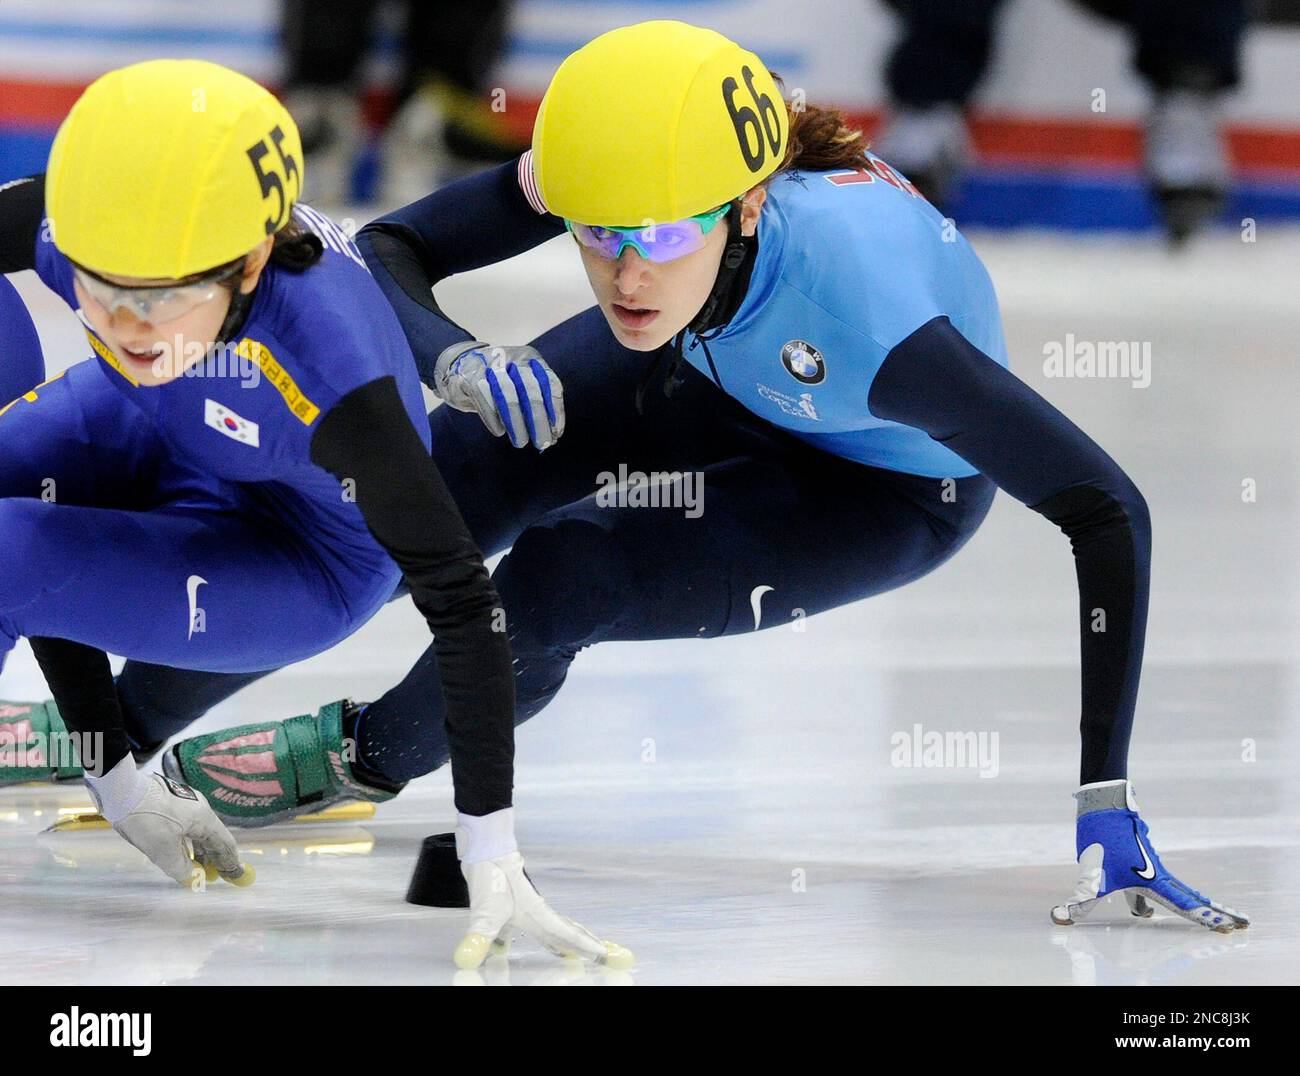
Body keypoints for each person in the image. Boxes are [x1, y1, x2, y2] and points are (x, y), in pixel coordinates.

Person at [10, 22, 1248, 934]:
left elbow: (1105, 505)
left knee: (565, 578)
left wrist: (1105, 793)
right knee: (446, 486)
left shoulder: (882, 333)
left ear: (747, 204)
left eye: (655, 233)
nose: (618, 270)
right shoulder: (633, 195)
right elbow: (389, 245)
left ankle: (361, 758)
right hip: (707, 356)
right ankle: (123, 732)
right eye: (592, 234)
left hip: (872, 477)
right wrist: (454, 359)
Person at [0, 58, 625, 971]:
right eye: (100, 293)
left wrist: (489, 848)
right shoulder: (85, 234)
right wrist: (114, 773)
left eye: (164, 298)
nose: (130, 326)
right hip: (162, 422)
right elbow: (56, 528)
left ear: (251, 261)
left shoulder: (332, 371)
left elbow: (461, 601)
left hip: (299, 555)